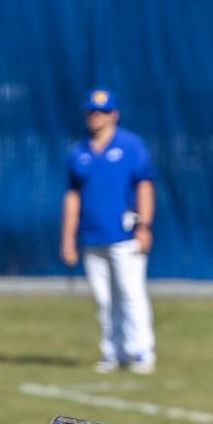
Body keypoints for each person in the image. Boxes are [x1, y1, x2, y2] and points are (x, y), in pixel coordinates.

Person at [59, 87, 156, 374]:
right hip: (91, 235)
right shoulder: (78, 152)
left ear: (114, 114)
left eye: (102, 111)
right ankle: (112, 353)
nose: (96, 117)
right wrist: (67, 238)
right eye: (91, 111)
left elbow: (145, 186)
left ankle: (140, 352)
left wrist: (145, 226)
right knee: (103, 299)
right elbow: (72, 196)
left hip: (124, 235)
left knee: (130, 293)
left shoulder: (130, 146)